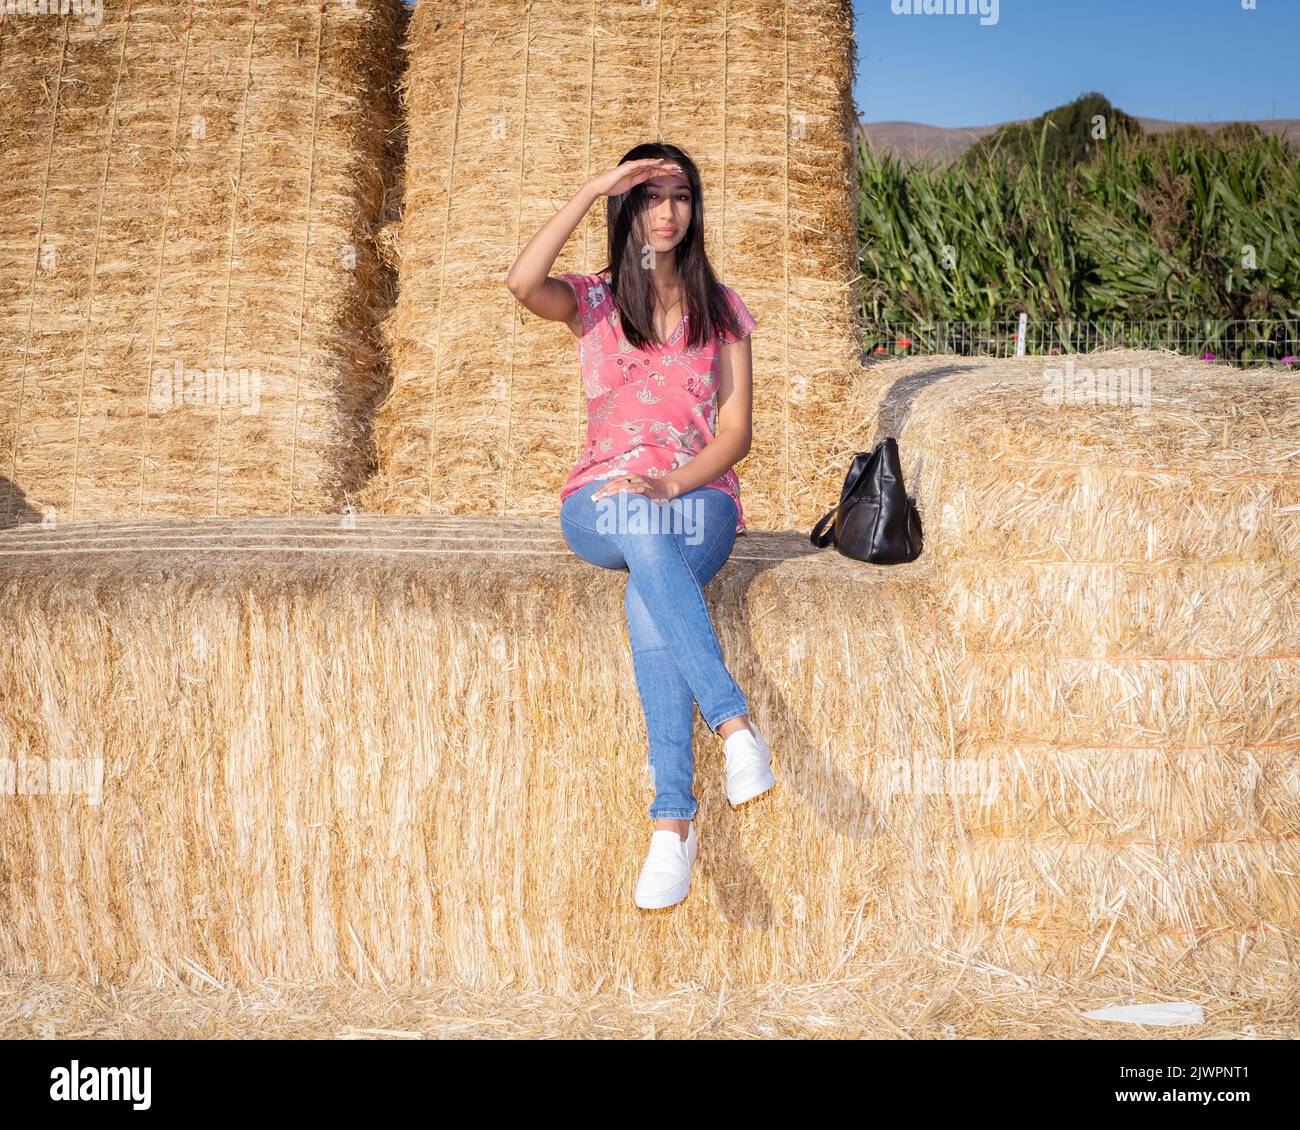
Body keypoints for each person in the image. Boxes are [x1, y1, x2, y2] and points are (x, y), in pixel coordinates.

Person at [505, 143, 776, 909]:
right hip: (600, 498)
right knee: (636, 519)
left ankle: (672, 825)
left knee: (648, 585)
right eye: (648, 195)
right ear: (626, 209)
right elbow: (521, 282)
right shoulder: (591, 300)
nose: (667, 211)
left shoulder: (723, 310)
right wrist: (592, 187)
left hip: (699, 495)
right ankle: (733, 728)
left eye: (681, 195)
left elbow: (735, 434)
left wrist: (671, 481)